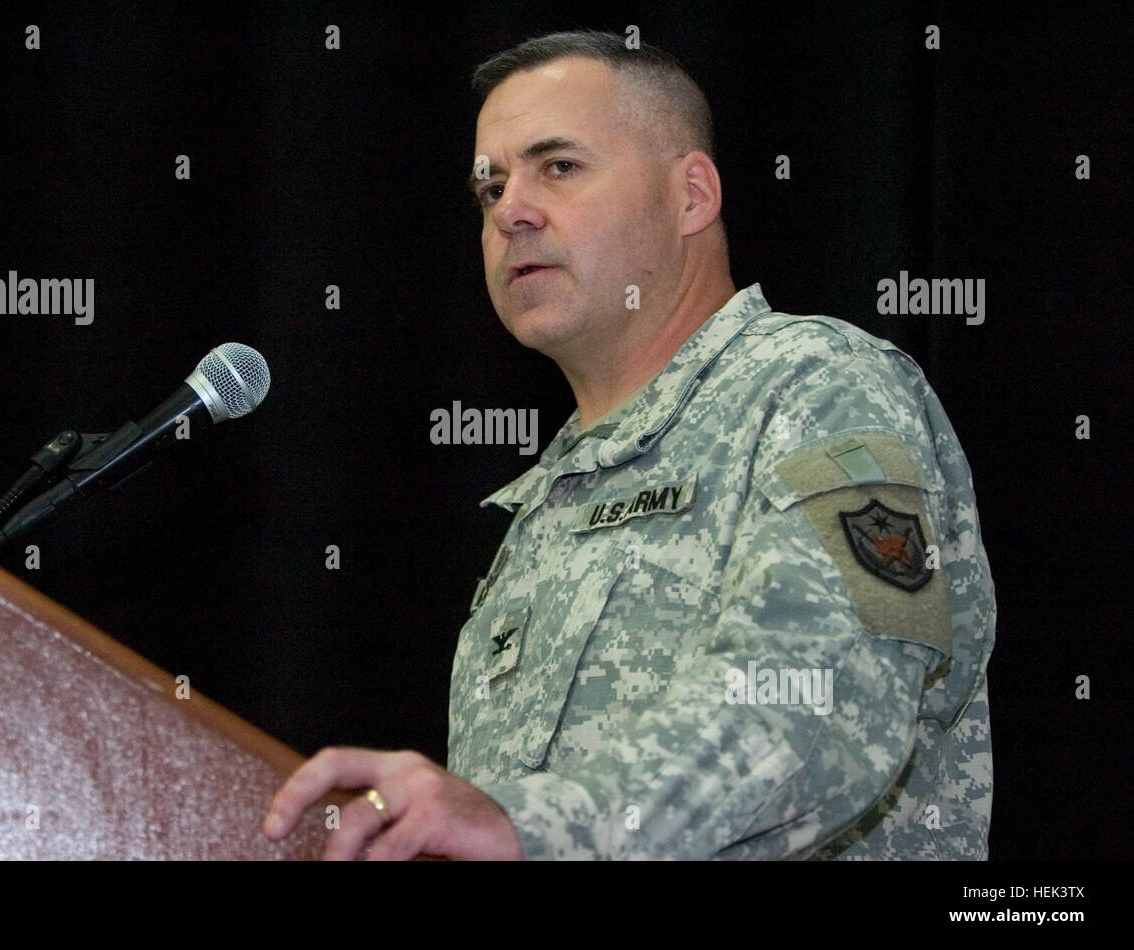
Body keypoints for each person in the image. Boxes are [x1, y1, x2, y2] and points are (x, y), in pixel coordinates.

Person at [263, 30, 995, 860]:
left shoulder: (819, 385)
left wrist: (528, 823)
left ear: (691, 196)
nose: (510, 210)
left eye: (560, 167)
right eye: (489, 187)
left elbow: (826, 696)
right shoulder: (545, 505)